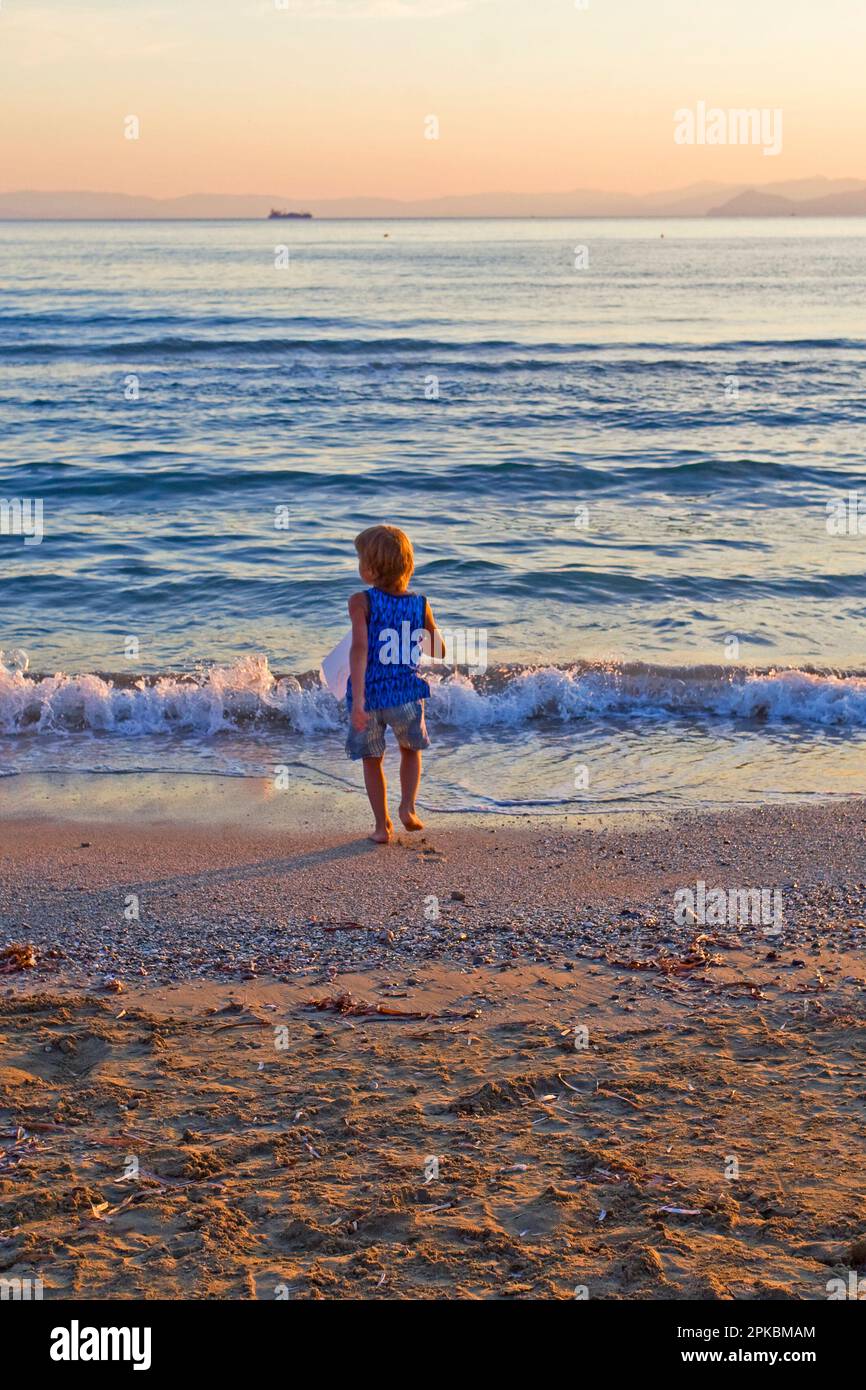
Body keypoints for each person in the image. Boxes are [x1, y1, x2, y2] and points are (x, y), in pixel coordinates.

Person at [346, 525, 442, 843]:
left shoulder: (360, 601)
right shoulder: (419, 603)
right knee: (410, 750)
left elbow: (359, 650)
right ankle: (407, 808)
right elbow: (436, 650)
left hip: (371, 695)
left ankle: (380, 826)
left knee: (372, 760)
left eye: (360, 558)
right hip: (404, 694)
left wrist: (358, 700)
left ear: (371, 568)